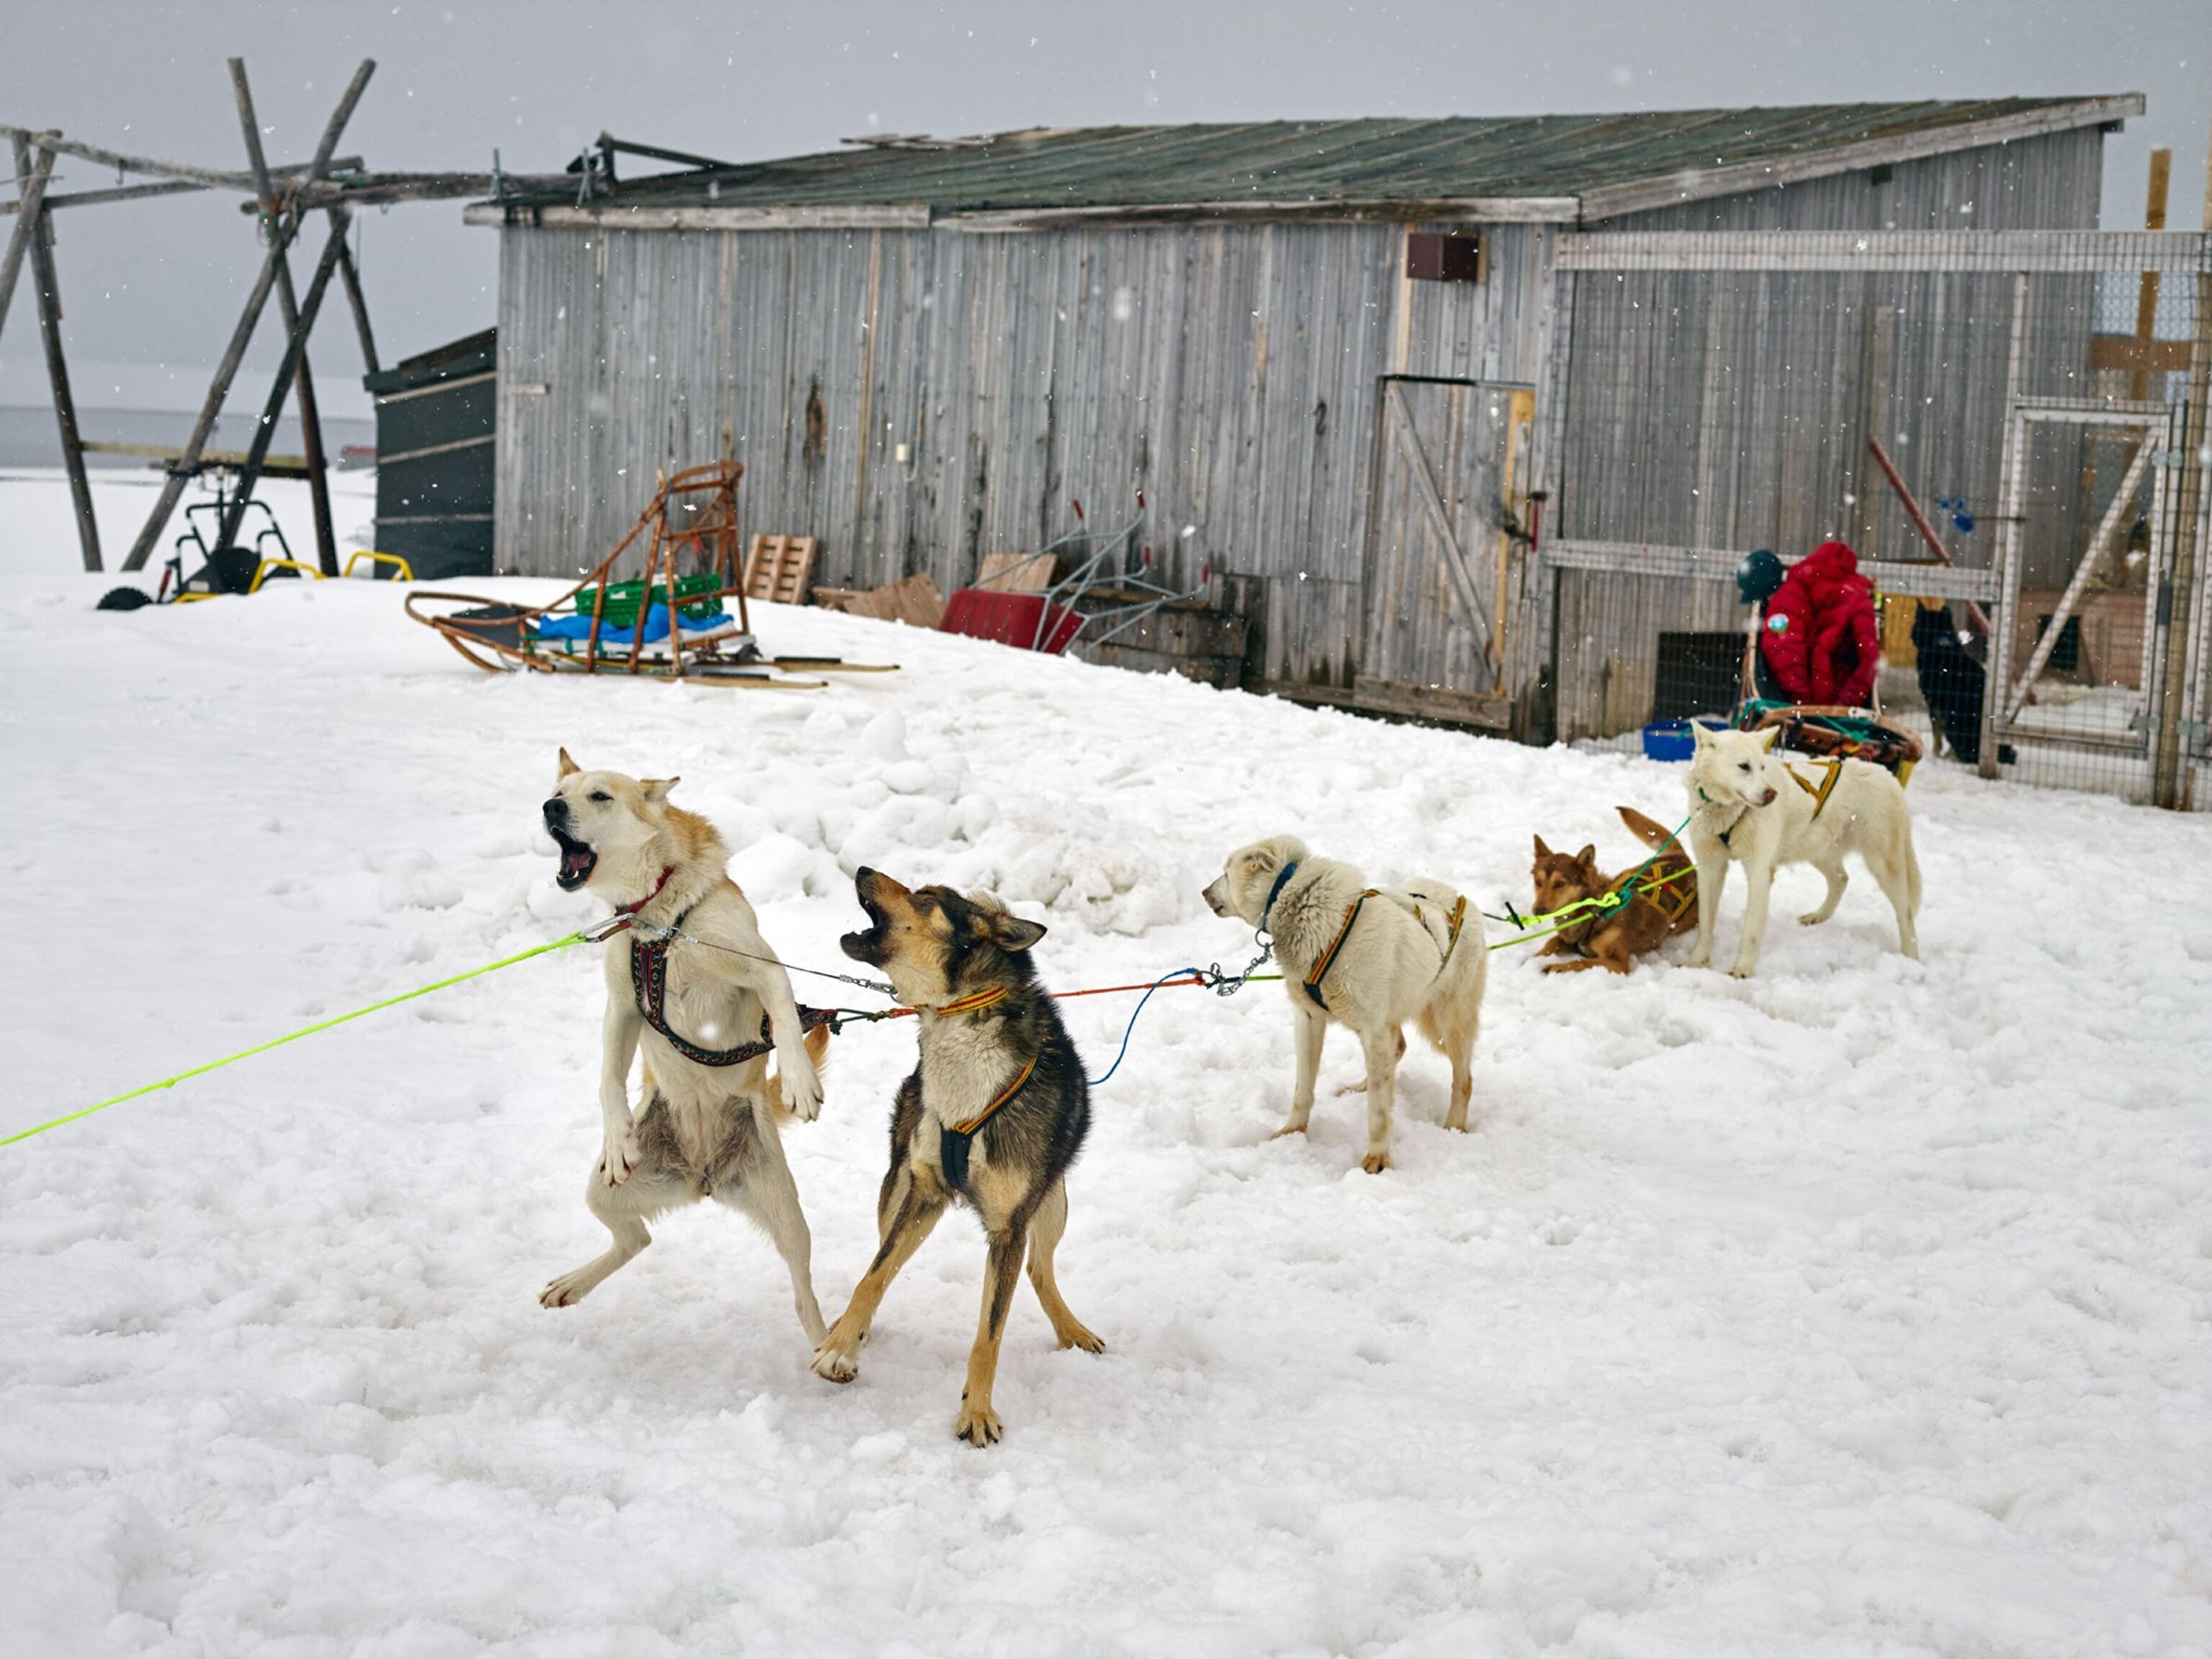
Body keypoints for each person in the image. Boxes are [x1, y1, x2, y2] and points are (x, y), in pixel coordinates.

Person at [1735, 540, 1880, 709]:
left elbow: (1787, 657)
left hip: (1818, 697)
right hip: (1839, 684)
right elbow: (1869, 658)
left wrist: (1803, 705)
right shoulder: (1854, 591)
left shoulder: (1784, 603)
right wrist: (1847, 702)